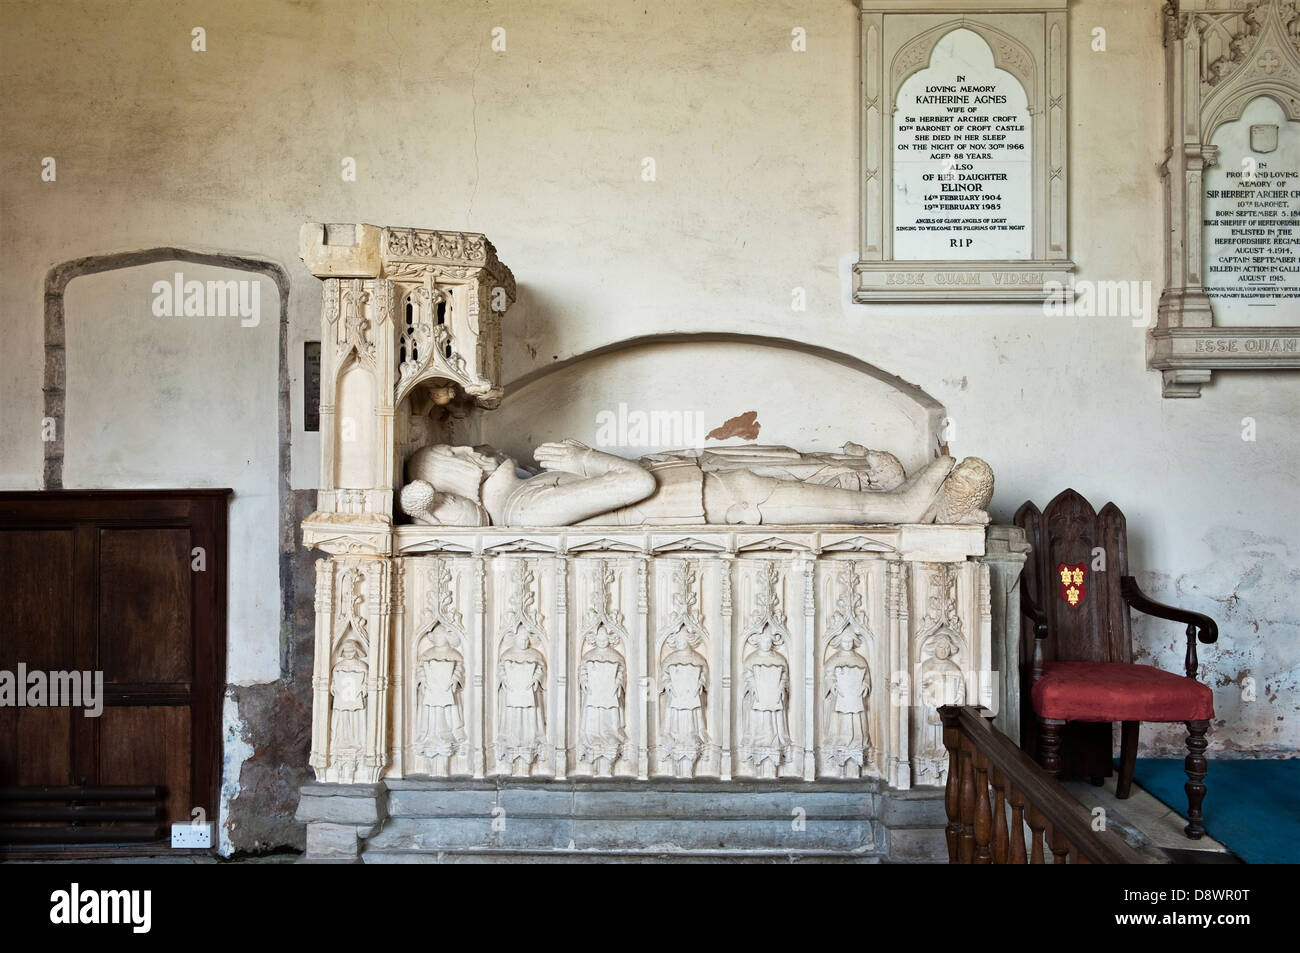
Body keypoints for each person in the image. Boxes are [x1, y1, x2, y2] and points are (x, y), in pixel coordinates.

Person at [400, 439, 993, 527]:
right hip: (707, 505)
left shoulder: (524, 494)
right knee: (876, 515)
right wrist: (581, 456)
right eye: (455, 451)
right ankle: (906, 507)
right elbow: (630, 483)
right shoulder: (524, 508)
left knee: (790, 466)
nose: (471, 448)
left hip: (701, 488)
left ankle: (894, 496)